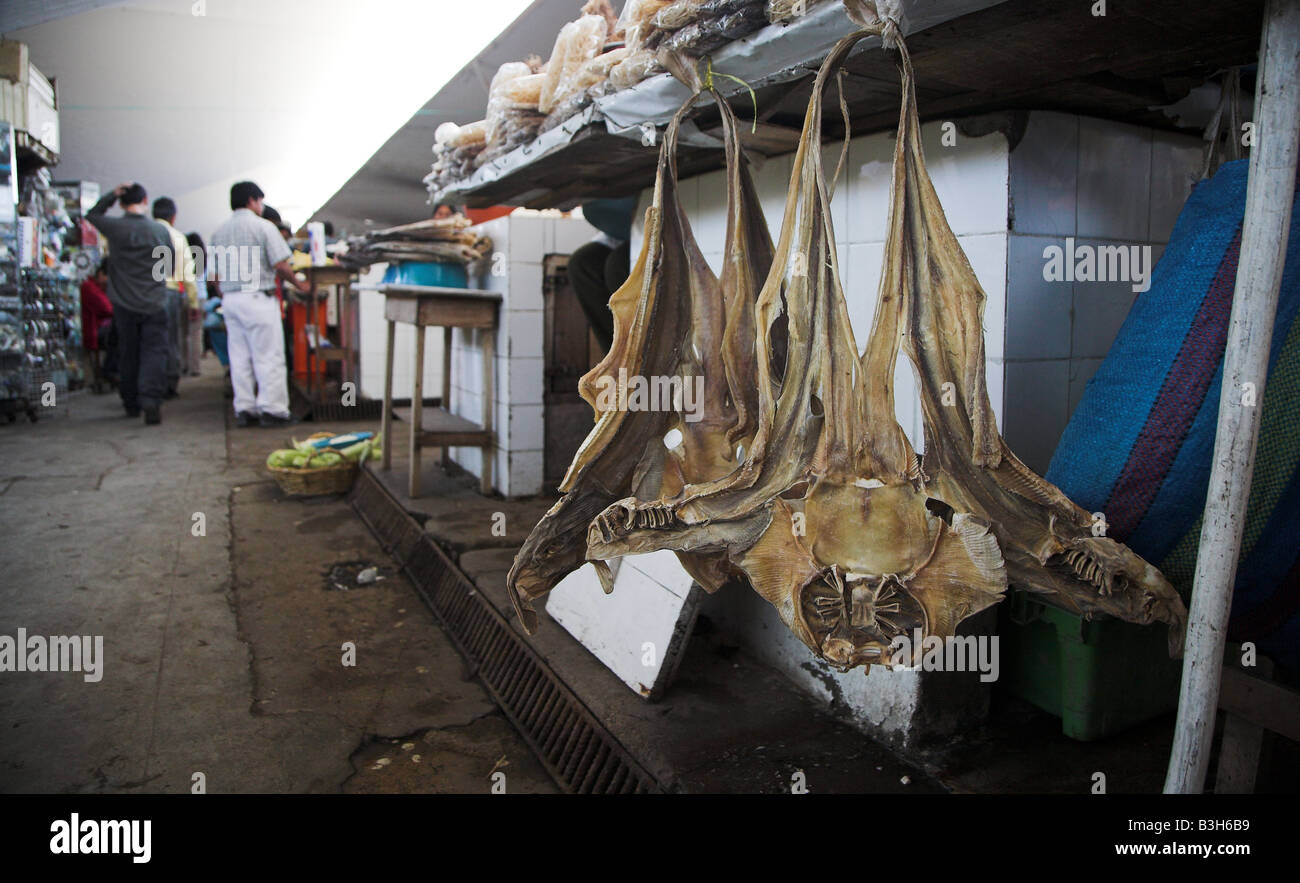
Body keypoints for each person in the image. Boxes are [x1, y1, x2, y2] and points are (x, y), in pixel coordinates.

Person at [209, 180, 309, 428]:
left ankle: (245, 409)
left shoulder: (218, 232)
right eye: (260, 201)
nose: (261, 206)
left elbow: (213, 275)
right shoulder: (263, 227)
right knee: (268, 356)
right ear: (252, 200)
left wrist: (227, 295)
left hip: (231, 300)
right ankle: (273, 410)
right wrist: (300, 285)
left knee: (239, 356)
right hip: (258, 298)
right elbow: (281, 264)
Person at [85, 182, 172, 425]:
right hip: (155, 302)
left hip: (123, 304)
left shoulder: (115, 227)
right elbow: (166, 267)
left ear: (122, 203)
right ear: (145, 201)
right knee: (154, 352)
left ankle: (131, 402)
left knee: (128, 353)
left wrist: (112, 195)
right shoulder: (159, 231)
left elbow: (91, 215)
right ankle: (151, 400)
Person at [567, 197, 637, 350]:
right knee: (582, 263)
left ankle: (643, 353)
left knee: (618, 264)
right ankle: (617, 355)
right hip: (628, 223)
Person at [151, 197, 199, 397]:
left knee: (150, 341)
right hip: (170, 293)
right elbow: (188, 273)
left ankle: (151, 383)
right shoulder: (178, 237)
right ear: (173, 217)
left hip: (144, 294)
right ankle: (170, 383)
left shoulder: (145, 233)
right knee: (171, 340)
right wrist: (193, 302)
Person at [80, 259, 115, 387]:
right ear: (100, 274)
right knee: (119, 332)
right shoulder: (89, 287)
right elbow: (107, 308)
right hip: (94, 332)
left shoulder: (99, 287)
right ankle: (110, 371)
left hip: (103, 328)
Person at [183, 232, 207, 376]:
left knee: (181, 333)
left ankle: (182, 365)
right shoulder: (203, 259)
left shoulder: (182, 258)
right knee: (196, 333)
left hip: (182, 295)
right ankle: (195, 367)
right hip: (199, 296)